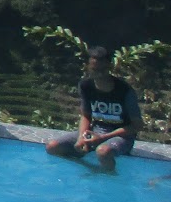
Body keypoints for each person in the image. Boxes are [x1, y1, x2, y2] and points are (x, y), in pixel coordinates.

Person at [45, 45, 143, 173]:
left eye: (103, 69)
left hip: (122, 137)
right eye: (95, 69)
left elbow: (137, 126)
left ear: (110, 67)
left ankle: (108, 177)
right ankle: (90, 168)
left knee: (103, 152)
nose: (100, 73)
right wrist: (81, 138)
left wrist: (103, 137)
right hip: (94, 132)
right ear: (88, 67)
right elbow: (86, 115)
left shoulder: (124, 91)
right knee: (52, 147)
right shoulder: (86, 86)